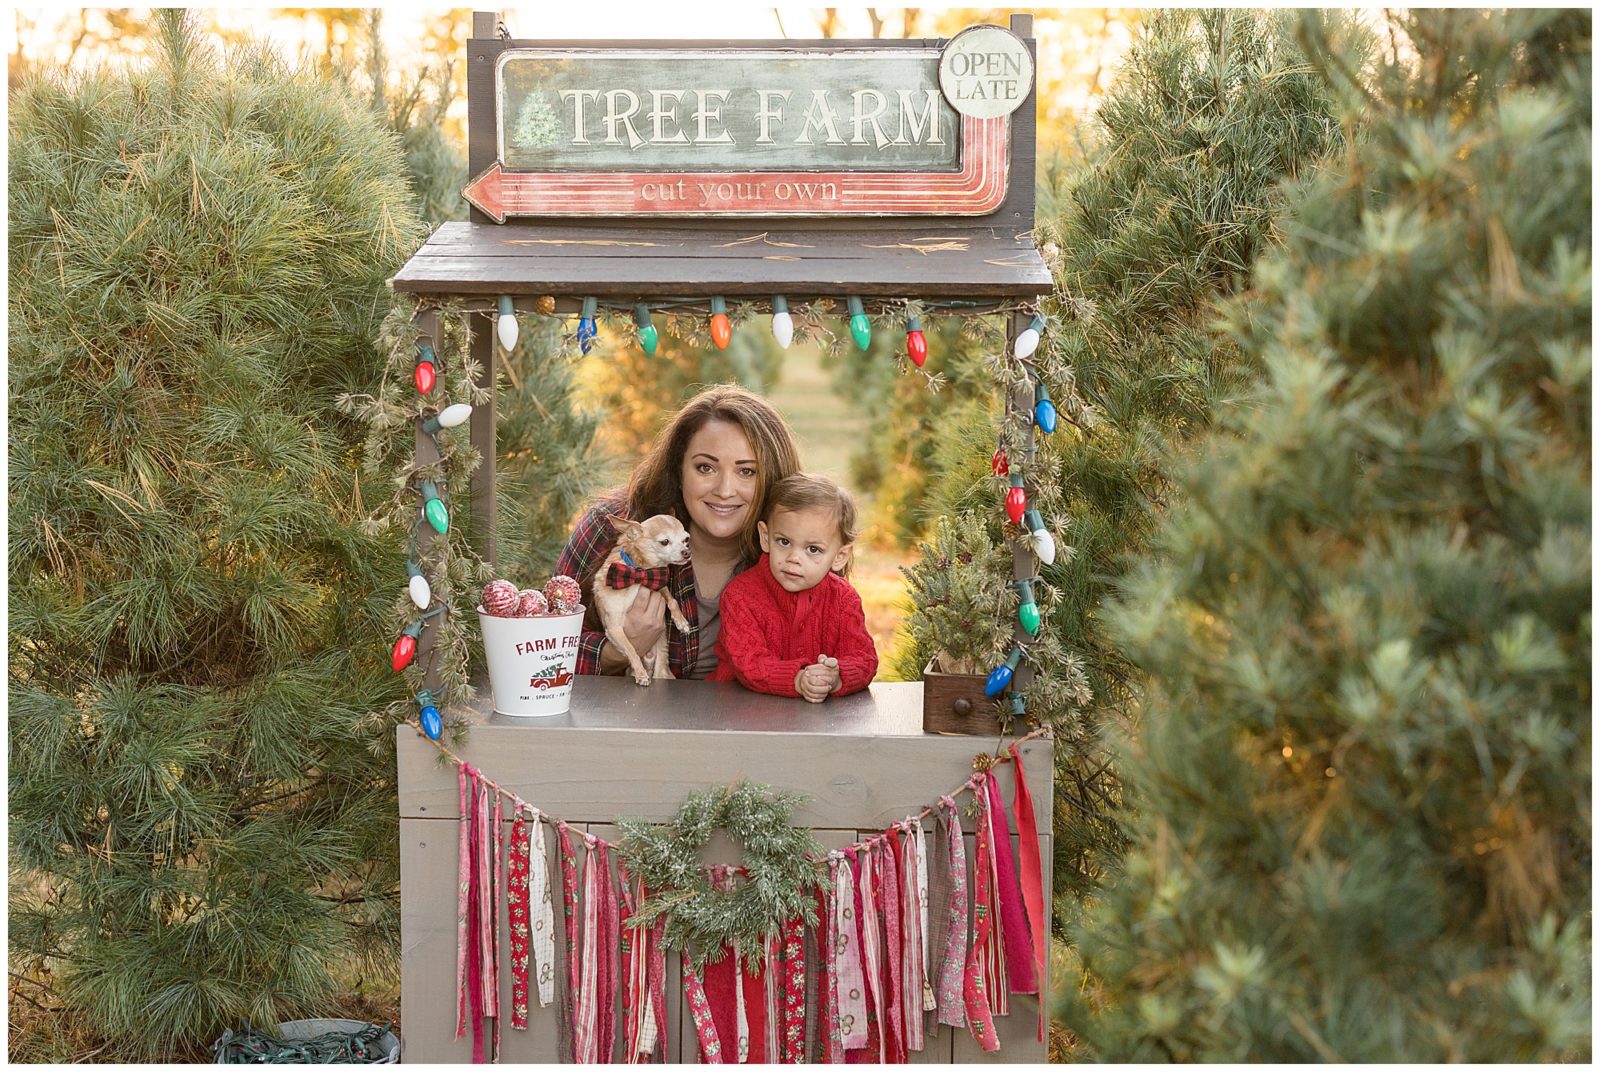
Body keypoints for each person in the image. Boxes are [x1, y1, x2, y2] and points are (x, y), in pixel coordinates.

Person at [556, 384, 802, 679]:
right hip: (629, 721)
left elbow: (829, 651)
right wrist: (616, 651)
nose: (725, 490)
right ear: (679, 469)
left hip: (753, 723)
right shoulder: (612, 527)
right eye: (705, 468)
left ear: (772, 477)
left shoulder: (797, 545)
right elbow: (540, 648)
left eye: (746, 471)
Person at [711, 473, 878, 701]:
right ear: (765, 537)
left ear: (839, 556)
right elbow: (749, 663)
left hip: (813, 723)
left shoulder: (843, 598)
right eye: (784, 542)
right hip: (736, 714)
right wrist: (797, 679)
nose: (794, 558)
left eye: (812, 549)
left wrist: (835, 676)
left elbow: (864, 658)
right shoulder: (740, 595)